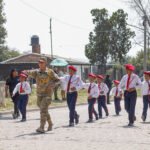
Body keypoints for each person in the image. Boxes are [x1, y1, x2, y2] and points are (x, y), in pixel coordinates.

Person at [25, 57, 60, 133]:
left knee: (43, 110)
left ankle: (41, 127)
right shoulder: (36, 72)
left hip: (47, 95)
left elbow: (58, 80)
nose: (40, 63)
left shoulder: (50, 72)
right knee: (44, 110)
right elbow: (29, 72)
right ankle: (50, 123)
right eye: (39, 62)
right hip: (39, 94)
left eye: (42, 62)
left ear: (45, 63)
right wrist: (25, 72)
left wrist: (52, 85)